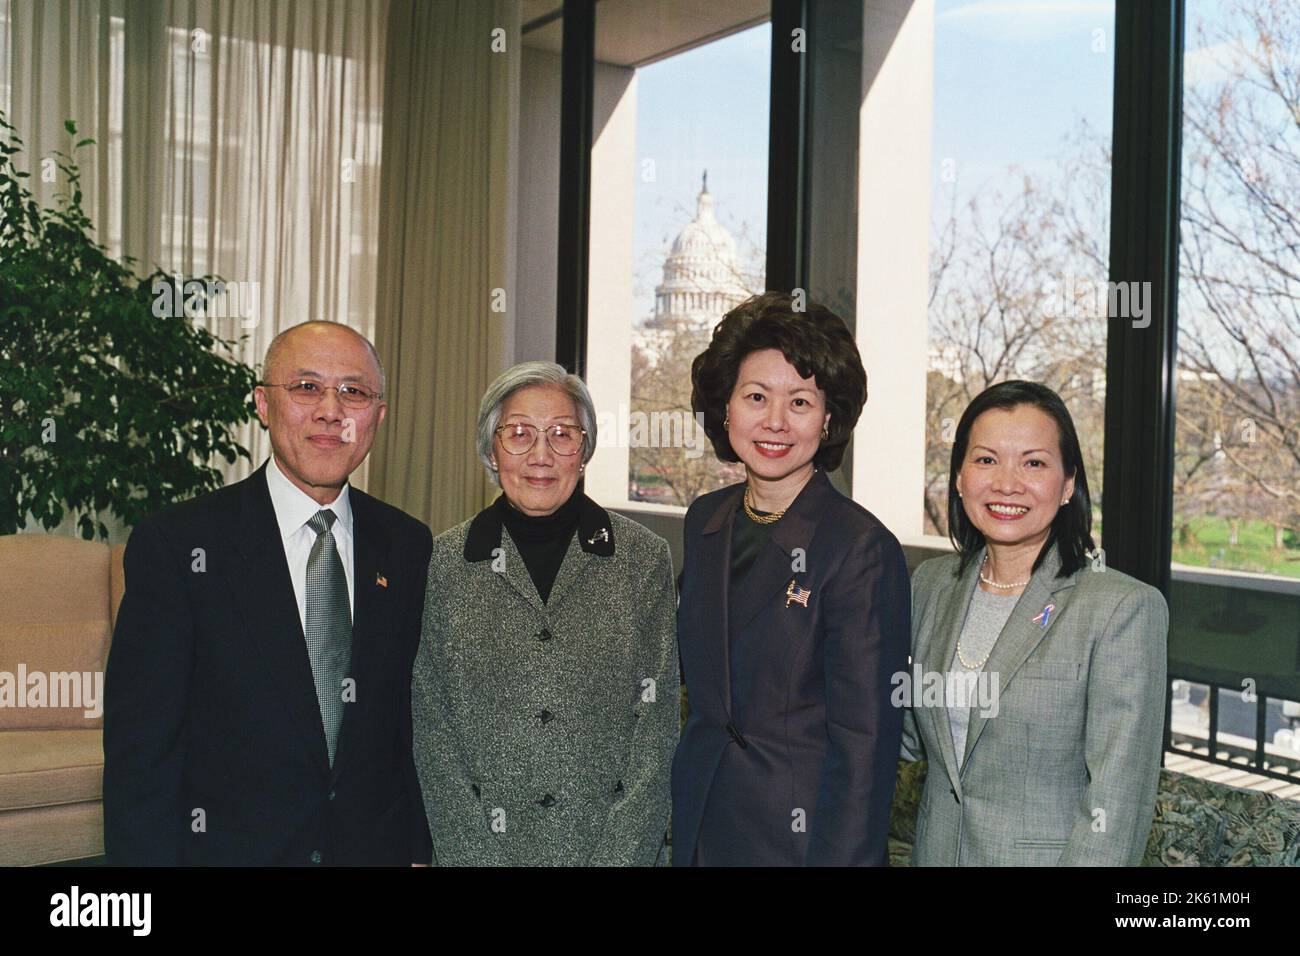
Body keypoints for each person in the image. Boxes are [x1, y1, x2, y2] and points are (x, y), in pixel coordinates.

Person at [104, 321, 433, 866]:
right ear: (262, 404)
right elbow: (143, 756)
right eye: (307, 387)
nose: (332, 410)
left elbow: (411, 727)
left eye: (353, 392)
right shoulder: (179, 546)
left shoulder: (407, 545)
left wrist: (418, 852)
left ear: (377, 415)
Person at [671, 291, 911, 866]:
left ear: (828, 419)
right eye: (756, 397)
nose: (775, 421)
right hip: (702, 829)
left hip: (801, 848)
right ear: (725, 409)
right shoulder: (706, 519)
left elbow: (866, 752)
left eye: (800, 401)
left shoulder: (861, 550)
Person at [412, 361, 679, 866]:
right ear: (491, 449)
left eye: (562, 434)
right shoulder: (443, 566)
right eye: (519, 434)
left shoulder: (642, 560)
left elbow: (657, 729)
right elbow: (432, 734)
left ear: (585, 450)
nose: (541, 454)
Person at [903, 380, 1167, 865]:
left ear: (1068, 484)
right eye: (985, 459)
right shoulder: (931, 586)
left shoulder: (1121, 609)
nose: (1007, 483)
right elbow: (906, 736)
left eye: (1034, 463)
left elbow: (1117, 804)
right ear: (959, 476)